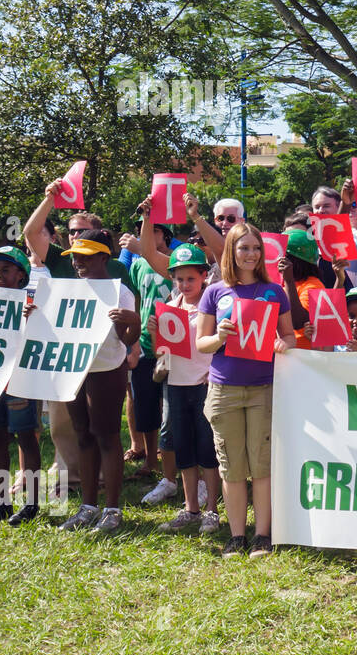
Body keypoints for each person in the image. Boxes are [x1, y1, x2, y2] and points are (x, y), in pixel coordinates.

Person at [196, 224, 296, 557]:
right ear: (231, 251)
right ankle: (237, 536)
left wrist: (284, 343)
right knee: (232, 467)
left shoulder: (275, 291)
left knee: (262, 465)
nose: (251, 254)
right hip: (224, 389)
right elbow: (201, 344)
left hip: (263, 388)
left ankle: (263, 535)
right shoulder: (215, 292)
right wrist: (220, 337)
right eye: (244, 248)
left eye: (256, 248)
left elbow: (290, 336)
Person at [56, 230, 141, 533]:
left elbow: (126, 339)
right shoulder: (68, 290)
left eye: (86, 256)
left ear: (104, 257)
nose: (78, 261)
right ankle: (87, 506)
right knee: (82, 433)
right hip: (74, 368)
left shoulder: (119, 292)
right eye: (75, 256)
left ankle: (113, 509)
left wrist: (135, 323)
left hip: (106, 368)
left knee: (105, 434)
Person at [142, 243, 221, 534]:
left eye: (191, 278)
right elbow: (162, 351)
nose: (185, 284)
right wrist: (153, 331)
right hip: (176, 384)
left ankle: (212, 509)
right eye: (179, 278)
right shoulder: (170, 308)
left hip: (203, 385)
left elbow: (219, 346)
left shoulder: (210, 306)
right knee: (184, 447)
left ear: (204, 276)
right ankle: (191, 507)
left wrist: (212, 374)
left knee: (207, 448)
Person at [0, 247, 42, 525]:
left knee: (26, 438)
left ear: (20, 275)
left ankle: (32, 503)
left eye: (5, 269)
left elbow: (42, 340)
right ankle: (1, 502)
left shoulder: (31, 302)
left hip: (19, 382)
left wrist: (31, 318)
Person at [121, 207, 178, 506]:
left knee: (172, 407)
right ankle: (150, 463)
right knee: (145, 404)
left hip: (172, 348)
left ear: (164, 234)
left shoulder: (175, 265)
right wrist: (132, 343)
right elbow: (138, 301)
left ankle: (177, 465)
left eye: (152, 228)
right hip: (144, 345)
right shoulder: (137, 266)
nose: (144, 232)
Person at [278, 229, 328, 350]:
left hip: (302, 360)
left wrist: (289, 281)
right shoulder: (279, 282)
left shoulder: (314, 285)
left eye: (284, 256)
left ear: (295, 260)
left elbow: (296, 322)